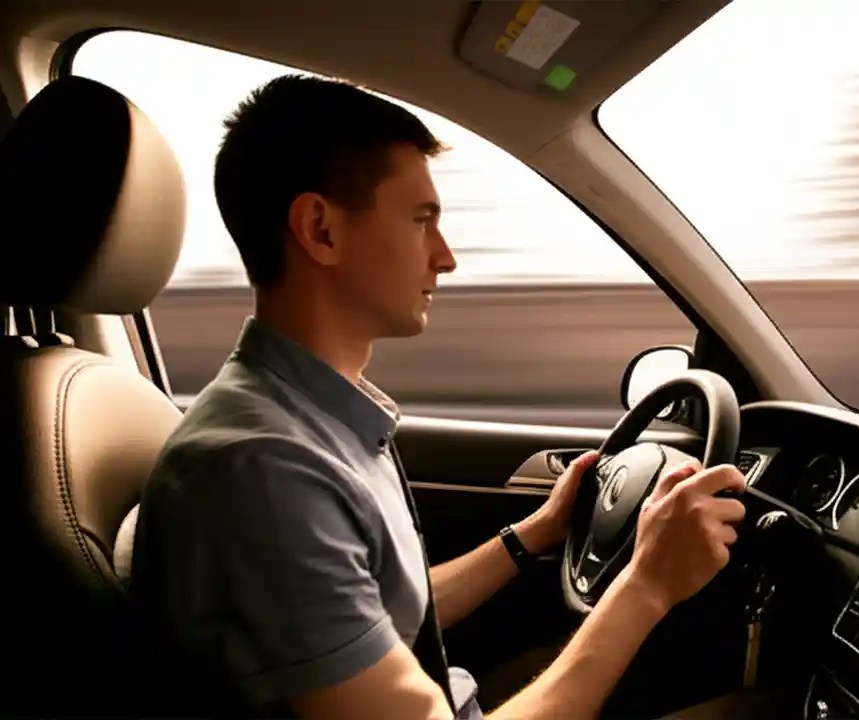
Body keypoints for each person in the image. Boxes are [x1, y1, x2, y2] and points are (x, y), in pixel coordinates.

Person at [128, 73, 748, 720]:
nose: (445, 257)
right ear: (321, 230)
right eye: (422, 220)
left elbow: (389, 618)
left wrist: (532, 534)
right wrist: (647, 584)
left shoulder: (304, 420)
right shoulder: (263, 475)